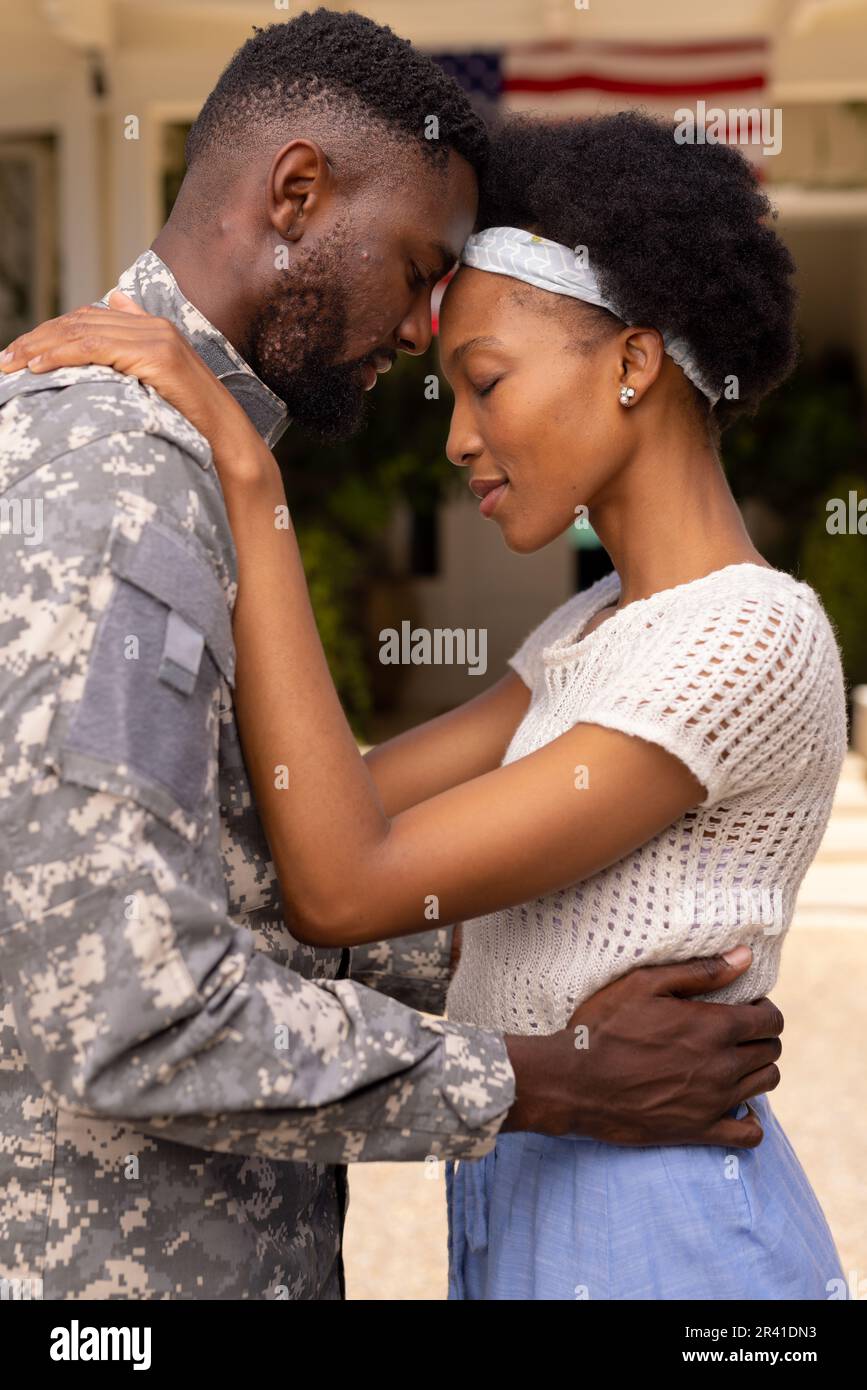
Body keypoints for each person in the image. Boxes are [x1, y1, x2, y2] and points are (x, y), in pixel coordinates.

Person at [0, 17, 787, 1302]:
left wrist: (561, 1001)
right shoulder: (117, 471)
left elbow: (248, 886)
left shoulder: (187, 459)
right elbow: (128, 1010)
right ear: (297, 193)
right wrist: (551, 1074)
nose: (423, 336)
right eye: (421, 267)